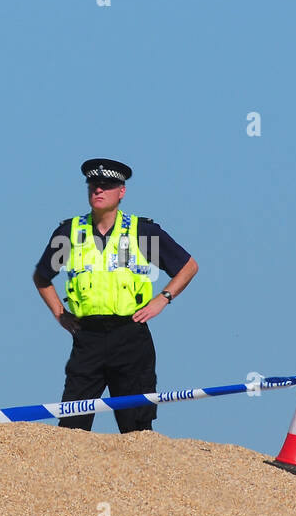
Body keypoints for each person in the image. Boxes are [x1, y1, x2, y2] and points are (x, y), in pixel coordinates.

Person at [32, 159, 199, 432]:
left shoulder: (141, 231)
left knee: (137, 429)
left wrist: (163, 298)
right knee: (71, 428)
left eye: (107, 186)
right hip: (87, 339)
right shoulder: (70, 232)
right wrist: (60, 314)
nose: (98, 190)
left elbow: (188, 266)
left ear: (121, 192)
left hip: (130, 336)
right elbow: (42, 277)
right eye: (93, 185)